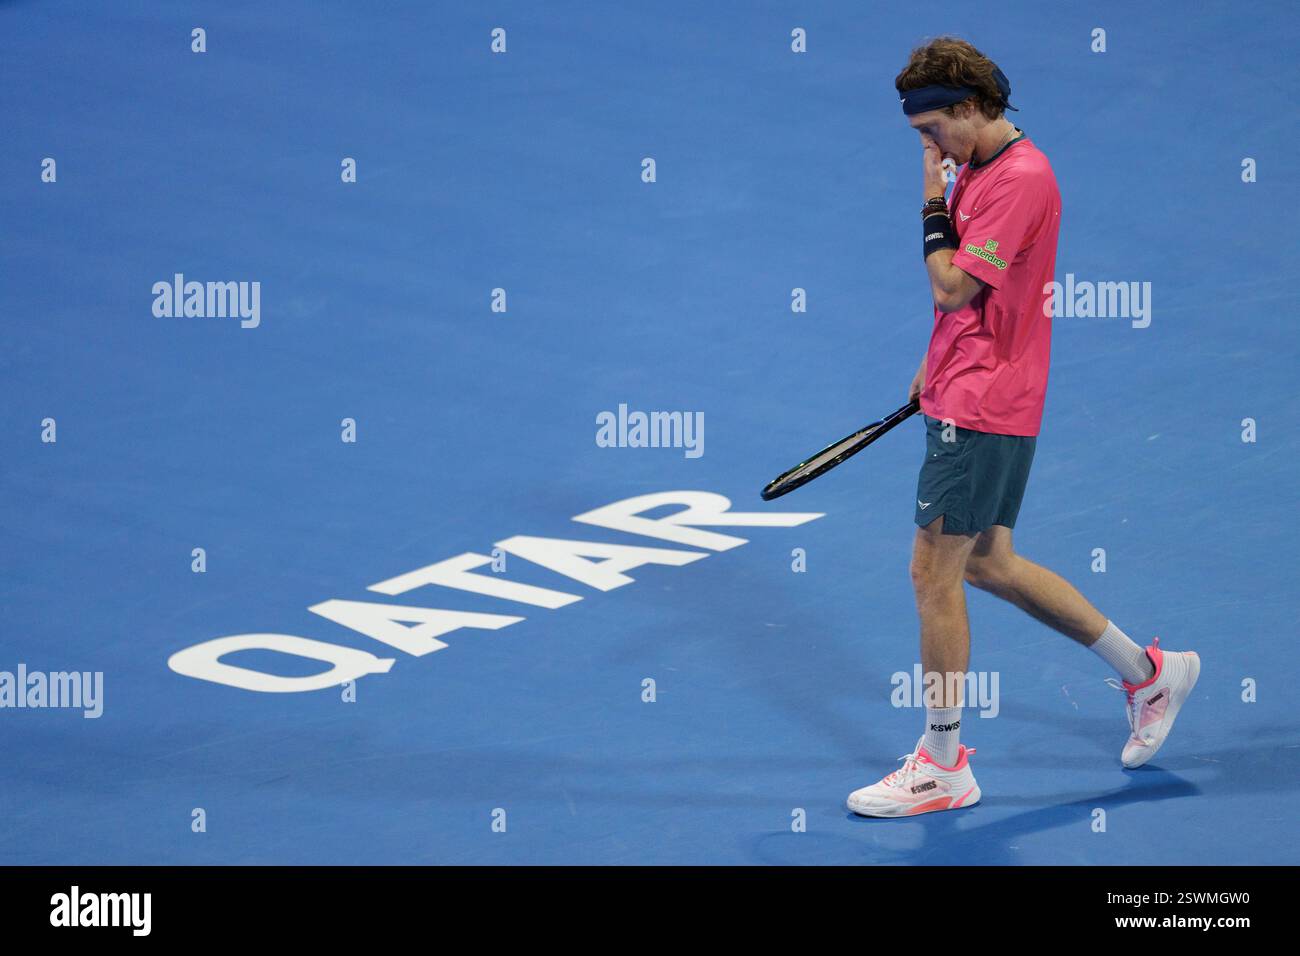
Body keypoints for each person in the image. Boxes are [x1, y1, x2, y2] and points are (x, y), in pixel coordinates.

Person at [847, 37, 1200, 818]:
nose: (929, 148)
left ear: (970, 108)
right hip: (972, 386)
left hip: (984, 404)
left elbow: (951, 289)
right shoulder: (979, 165)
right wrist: (931, 360)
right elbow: (961, 311)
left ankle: (943, 764)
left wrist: (930, 201)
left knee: (931, 576)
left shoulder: (1020, 180)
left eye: (933, 129)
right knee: (988, 563)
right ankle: (1150, 673)